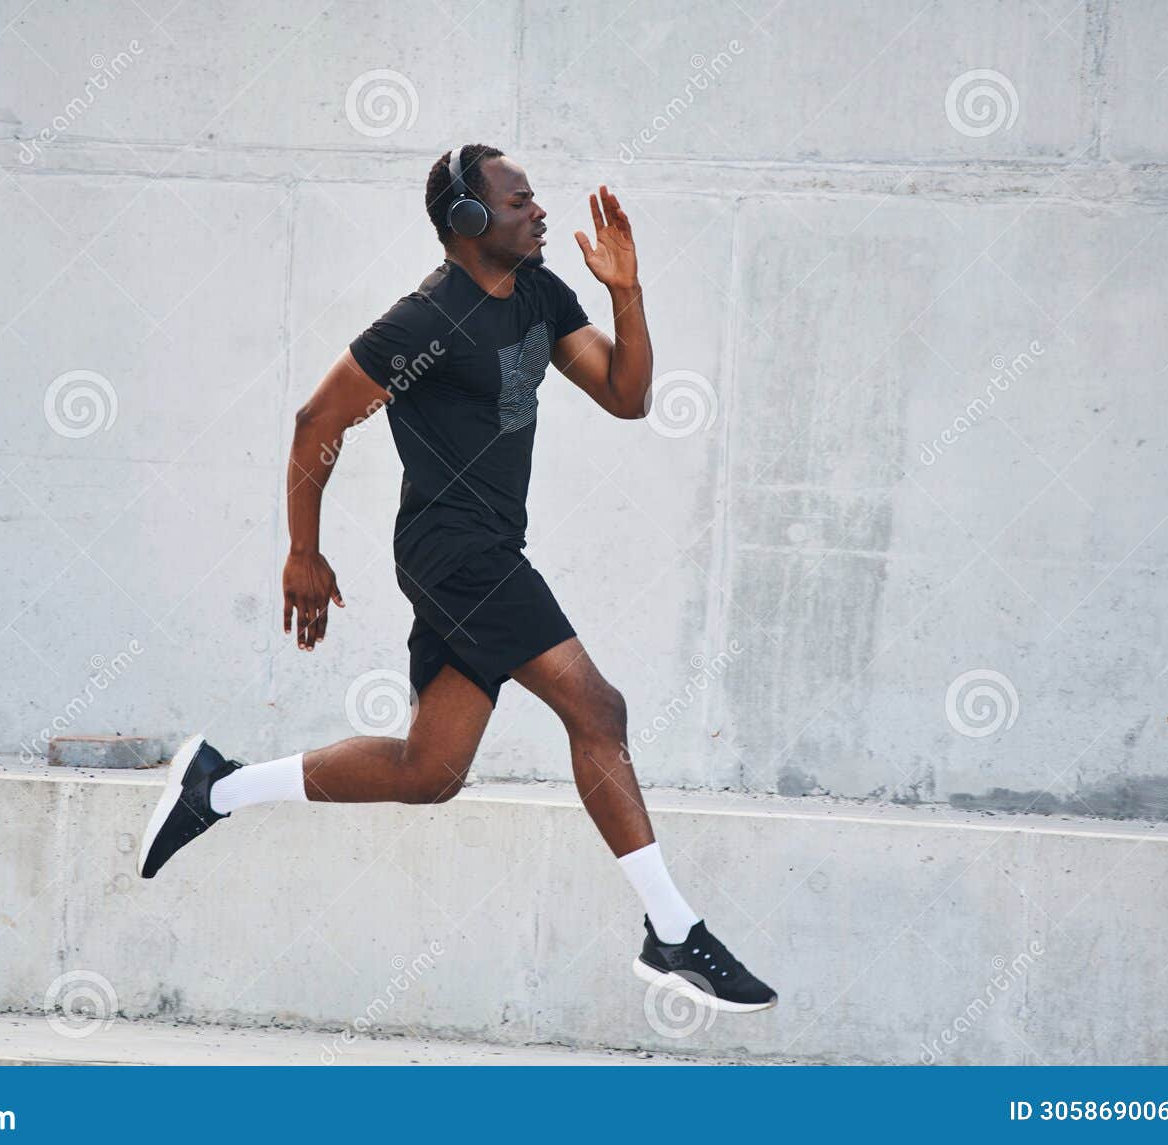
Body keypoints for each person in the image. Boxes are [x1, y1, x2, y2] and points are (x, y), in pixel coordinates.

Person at [138, 143, 775, 1013]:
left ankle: (217, 785)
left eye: (533, 198)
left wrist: (627, 293)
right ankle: (673, 933)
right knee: (600, 709)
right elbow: (316, 420)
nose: (540, 212)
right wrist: (303, 550)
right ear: (469, 221)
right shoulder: (424, 321)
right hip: (453, 553)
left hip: (485, 553)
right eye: (519, 202)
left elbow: (627, 398)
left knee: (428, 771)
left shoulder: (543, 295)